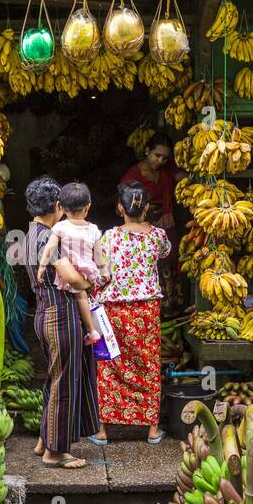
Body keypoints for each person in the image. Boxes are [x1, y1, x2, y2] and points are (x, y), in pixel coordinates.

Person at [23, 176, 100, 470]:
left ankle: (46, 439)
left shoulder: (31, 233)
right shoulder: (47, 236)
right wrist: (88, 283)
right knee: (64, 382)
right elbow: (69, 276)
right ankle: (55, 452)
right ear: (57, 205)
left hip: (44, 315)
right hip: (60, 315)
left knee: (54, 379)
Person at [88, 182, 172, 445]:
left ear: (119, 208)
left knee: (110, 365)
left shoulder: (109, 237)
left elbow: (101, 274)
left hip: (114, 310)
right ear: (147, 207)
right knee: (148, 365)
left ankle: (102, 430)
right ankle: (152, 430)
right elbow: (165, 252)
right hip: (146, 310)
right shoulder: (157, 236)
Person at [35, 182, 104, 346]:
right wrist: (103, 271)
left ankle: (91, 330)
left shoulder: (60, 227)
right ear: (88, 207)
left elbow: (49, 249)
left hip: (72, 270)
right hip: (88, 269)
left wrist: (42, 266)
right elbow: (99, 255)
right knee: (87, 296)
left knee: (80, 295)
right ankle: (95, 330)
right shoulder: (94, 229)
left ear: (62, 208)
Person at [119, 134, 178, 231]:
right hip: (143, 232)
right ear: (147, 151)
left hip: (168, 228)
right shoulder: (132, 176)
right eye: (157, 155)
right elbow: (120, 207)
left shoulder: (167, 168)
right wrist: (143, 207)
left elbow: (182, 176)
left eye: (165, 158)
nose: (160, 161)